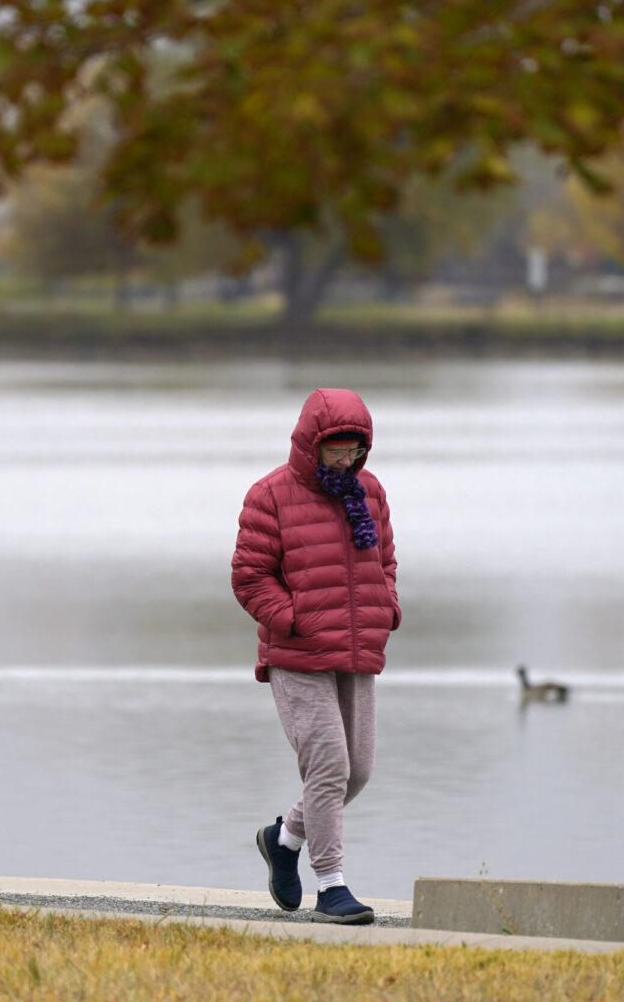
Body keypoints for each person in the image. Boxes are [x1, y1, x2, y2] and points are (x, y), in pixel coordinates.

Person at [231, 387, 400, 925]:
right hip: (298, 654)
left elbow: (387, 561)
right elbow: (249, 576)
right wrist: (294, 619)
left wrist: (387, 608)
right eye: (337, 450)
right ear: (312, 444)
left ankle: (283, 840)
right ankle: (332, 885)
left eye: (355, 450)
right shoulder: (270, 495)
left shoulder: (369, 491)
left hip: (358, 649)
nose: (347, 460)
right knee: (329, 766)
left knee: (359, 771)